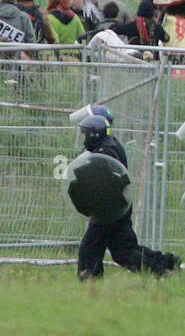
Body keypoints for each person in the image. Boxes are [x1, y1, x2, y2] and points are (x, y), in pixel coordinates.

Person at [74, 112, 177, 279]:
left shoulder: (104, 152)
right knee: (124, 251)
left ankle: (89, 281)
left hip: (107, 209)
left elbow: (105, 181)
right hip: (118, 206)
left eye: (85, 135)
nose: (84, 140)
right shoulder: (111, 145)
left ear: (94, 135)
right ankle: (164, 266)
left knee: (90, 248)